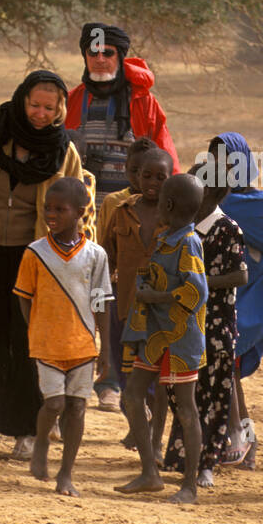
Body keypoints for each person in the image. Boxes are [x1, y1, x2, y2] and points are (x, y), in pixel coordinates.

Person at [0, 70, 95, 457]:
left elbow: (81, 206)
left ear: (60, 111)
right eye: (34, 105)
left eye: (49, 108)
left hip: (34, 259)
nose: (40, 114)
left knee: (26, 341)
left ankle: (25, 428)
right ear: (21, 100)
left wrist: (76, 259)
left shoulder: (63, 151)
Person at [14, 177, 111, 497]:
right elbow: (24, 296)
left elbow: (101, 302)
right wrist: (34, 327)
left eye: (60, 209)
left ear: (81, 212)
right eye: (47, 208)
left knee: (78, 409)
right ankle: (42, 441)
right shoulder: (35, 252)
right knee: (54, 403)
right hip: (46, 343)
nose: (51, 214)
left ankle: (66, 474)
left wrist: (106, 348)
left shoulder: (96, 255)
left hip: (82, 344)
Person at [116, 173, 208, 504]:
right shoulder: (168, 238)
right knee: (133, 394)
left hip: (181, 338)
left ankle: (189, 486)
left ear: (167, 205)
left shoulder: (188, 242)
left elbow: (196, 291)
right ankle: (149, 472)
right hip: (155, 335)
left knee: (186, 408)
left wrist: (152, 297)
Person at [163, 167, 248, 487]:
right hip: (184, 323)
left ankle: (207, 462)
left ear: (211, 194)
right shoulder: (180, 229)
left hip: (215, 326)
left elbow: (240, 276)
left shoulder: (227, 229)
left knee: (214, 395)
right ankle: (182, 454)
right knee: (182, 392)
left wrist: (198, 284)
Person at [211, 132, 263, 466]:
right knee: (224, 364)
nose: (223, 166)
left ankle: (239, 439)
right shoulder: (207, 198)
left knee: (225, 362)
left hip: (247, 293)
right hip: (215, 292)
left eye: (229, 160)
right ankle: (244, 441)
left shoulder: (258, 203)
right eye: (217, 160)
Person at [66, 22, 179, 215]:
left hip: (130, 216)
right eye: (93, 53)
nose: (100, 59)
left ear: (120, 56)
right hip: (80, 216)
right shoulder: (71, 100)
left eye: (107, 53)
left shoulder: (143, 102)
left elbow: (167, 160)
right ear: (85, 57)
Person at [103, 147, 173, 452]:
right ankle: (139, 428)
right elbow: (107, 258)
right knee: (129, 379)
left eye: (161, 177)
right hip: (127, 308)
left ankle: (155, 442)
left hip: (164, 314)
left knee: (158, 385)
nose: (153, 182)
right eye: (147, 175)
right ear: (136, 176)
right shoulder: (122, 211)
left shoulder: (176, 218)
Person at [93, 136, 157, 409]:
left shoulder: (165, 208)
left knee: (146, 350)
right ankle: (109, 386)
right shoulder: (115, 204)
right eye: (134, 172)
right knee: (115, 342)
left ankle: (142, 406)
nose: (141, 180)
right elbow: (105, 246)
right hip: (119, 287)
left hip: (153, 292)